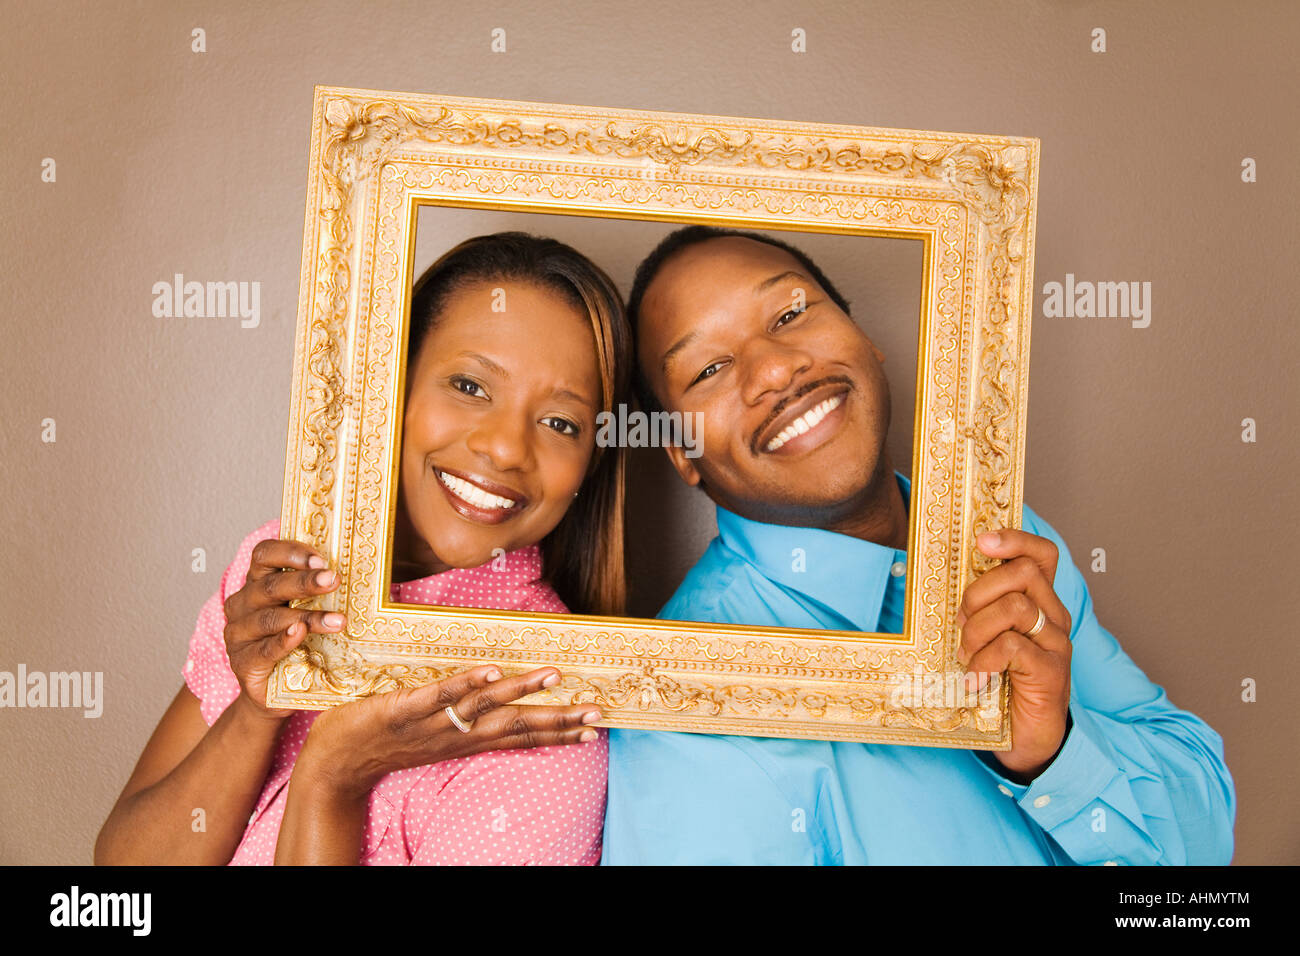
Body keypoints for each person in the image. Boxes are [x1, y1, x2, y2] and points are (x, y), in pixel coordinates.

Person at [601, 225, 1236, 865]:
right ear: (683, 453)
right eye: (709, 368)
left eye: (791, 313)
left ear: (865, 339)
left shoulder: (1005, 543)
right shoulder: (685, 712)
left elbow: (1206, 846)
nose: (774, 368)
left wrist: (1057, 755)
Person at [95, 232, 632, 865]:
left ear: (590, 465)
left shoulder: (544, 717)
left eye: (561, 423)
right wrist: (259, 710)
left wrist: (334, 776)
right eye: (469, 386)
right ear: (389, 389)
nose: (508, 447)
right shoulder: (281, 573)